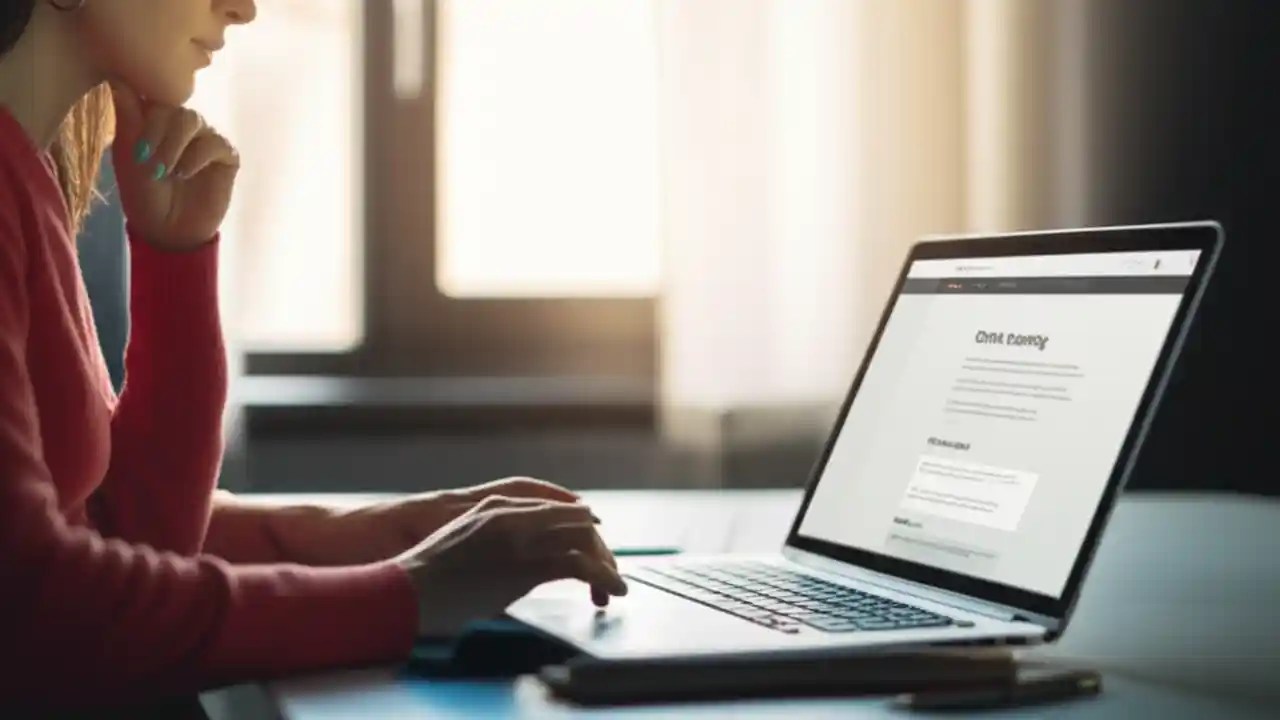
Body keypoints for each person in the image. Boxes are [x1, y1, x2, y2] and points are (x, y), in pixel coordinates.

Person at [0, 0, 627, 710]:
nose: (243, 7)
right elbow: (36, 609)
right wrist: (412, 591)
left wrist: (371, 534)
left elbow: (128, 528)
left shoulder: (26, 171)